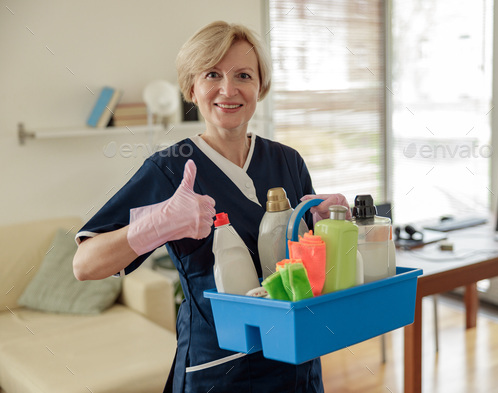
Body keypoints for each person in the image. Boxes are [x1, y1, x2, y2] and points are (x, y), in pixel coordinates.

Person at [73, 21, 350, 393]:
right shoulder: (171, 168)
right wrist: (156, 224)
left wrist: (333, 229)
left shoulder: (288, 161)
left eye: (243, 75)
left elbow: (315, 274)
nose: (228, 89)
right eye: (212, 74)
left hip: (295, 363)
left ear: (260, 86)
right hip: (219, 370)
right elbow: (85, 265)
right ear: (191, 87)